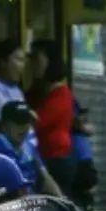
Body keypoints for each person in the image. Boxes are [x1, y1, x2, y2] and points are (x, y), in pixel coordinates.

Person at [28, 44, 79, 198]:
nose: (34, 65)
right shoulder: (38, 91)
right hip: (42, 156)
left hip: (57, 159)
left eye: (39, 60)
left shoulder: (61, 94)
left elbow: (40, 122)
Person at [0, 99, 63, 199]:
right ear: (4, 125)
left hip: (34, 199)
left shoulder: (27, 144)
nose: (24, 127)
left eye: (27, 122)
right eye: (18, 122)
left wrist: (63, 201)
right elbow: (17, 191)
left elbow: (44, 175)